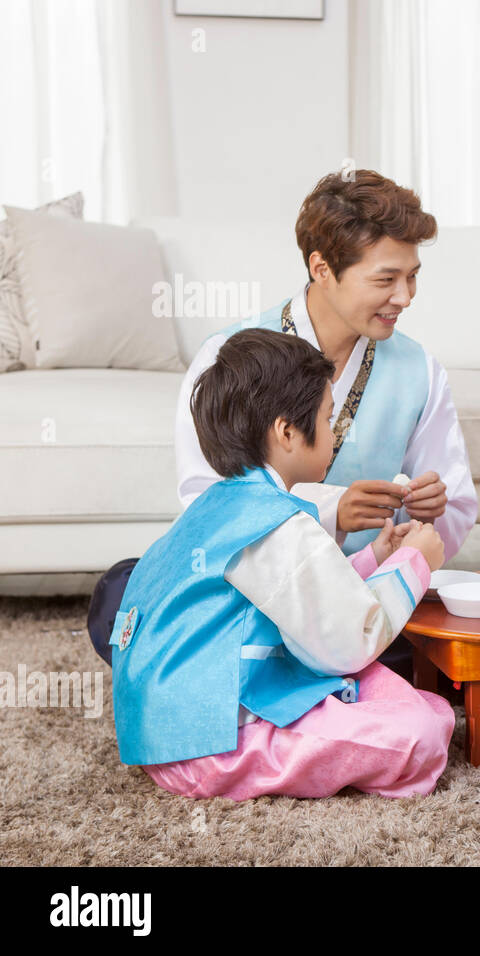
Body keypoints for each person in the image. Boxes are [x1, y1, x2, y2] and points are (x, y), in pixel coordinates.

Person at [89, 169, 476, 669]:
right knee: (127, 593)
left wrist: (429, 506)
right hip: (253, 592)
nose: (405, 297)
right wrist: (332, 511)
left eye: (413, 276)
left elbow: (456, 507)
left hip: (359, 592)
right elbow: (206, 505)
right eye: (386, 279)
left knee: (427, 638)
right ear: (321, 267)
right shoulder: (229, 357)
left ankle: (289, 674)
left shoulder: (420, 371)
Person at [111, 329, 455, 799]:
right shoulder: (273, 522)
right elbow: (347, 644)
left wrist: (378, 555)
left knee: (392, 696)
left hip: (164, 738)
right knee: (421, 730)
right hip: (211, 748)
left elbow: (302, 599)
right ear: (288, 432)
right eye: (329, 418)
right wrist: (417, 562)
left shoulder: (219, 508)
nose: (335, 435)